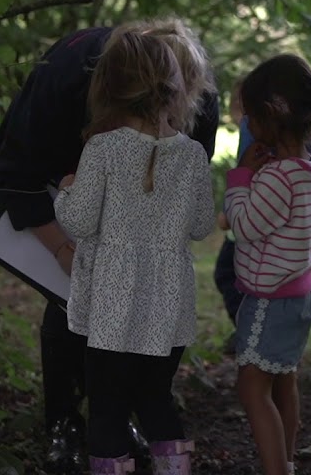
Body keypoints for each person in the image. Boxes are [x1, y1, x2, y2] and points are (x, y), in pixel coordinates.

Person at [0, 18, 219, 472]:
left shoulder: (191, 111)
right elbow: (18, 175)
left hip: (119, 278)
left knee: (107, 402)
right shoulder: (66, 76)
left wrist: (77, 201)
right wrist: (63, 252)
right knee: (150, 391)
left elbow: (80, 217)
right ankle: (65, 423)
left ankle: (112, 435)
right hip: (169, 294)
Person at [54, 30, 215, 475]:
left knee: (106, 407)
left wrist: (65, 194)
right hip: (168, 305)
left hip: (111, 305)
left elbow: (81, 222)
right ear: (174, 88)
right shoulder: (193, 154)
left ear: (107, 87)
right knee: (155, 399)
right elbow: (202, 226)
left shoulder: (102, 149)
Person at [223, 54, 311, 475]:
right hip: (298, 294)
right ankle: (288, 461)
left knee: (252, 389)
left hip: (269, 301)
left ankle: (277, 470)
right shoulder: (309, 169)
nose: (249, 125)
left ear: (273, 112)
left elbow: (244, 227)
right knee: (284, 379)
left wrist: (240, 177)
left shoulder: (278, 176)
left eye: (252, 115)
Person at [213, 82, 311, 355]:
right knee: (283, 374)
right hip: (293, 260)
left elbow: (246, 196)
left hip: (257, 233)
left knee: (227, 274)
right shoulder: (307, 154)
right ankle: (262, 336)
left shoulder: (257, 133)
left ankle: (249, 332)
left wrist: (230, 206)